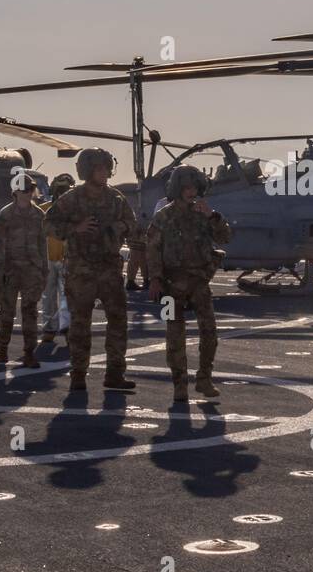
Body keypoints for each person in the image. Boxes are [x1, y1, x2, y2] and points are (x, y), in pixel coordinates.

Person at [47, 148, 137, 393]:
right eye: (100, 168)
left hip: (109, 268)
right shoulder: (71, 198)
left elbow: (132, 225)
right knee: (80, 323)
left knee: (118, 321)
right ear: (88, 171)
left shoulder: (116, 199)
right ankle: (78, 374)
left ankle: (115, 374)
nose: (105, 173)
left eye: (107, 168)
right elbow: (49, 224)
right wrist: (75, 227)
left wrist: (118, 227)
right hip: (81, 270)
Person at [147, 165, 233, 401]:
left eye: (194, 187)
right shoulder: (163, 216)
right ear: (177, 189)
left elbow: (225, 237)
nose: (190, 191)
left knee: (210, 332)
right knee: (174, 335)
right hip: (169, 284)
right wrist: (154, 280)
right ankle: (179, 384)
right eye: (186, 187)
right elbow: (152, 250)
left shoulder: (205, 213)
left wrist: (212, 217)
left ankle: (204, 379)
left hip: (199, 282)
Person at [0, 172, 48, 368]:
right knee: (6, 310)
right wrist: (1, 268)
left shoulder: (39, 215)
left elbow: (43, 245)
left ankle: (29, 352)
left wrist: (44, 271)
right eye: (24, 190)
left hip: (32, 270)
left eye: (30, 189)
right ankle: (2, 348)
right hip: (10, 269)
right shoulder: (5, 214)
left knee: (30, 311)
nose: (27, 193)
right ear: (15, 192)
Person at [39, 173, 74, 346]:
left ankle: (67, 329)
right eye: (60, 190)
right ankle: (49, 329)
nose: (63, 193)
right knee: (48, 296)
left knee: (67, 297)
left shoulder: (75, 211)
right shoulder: (44, 209)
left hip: (68, 260)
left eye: (66, 190)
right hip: (48, 259)